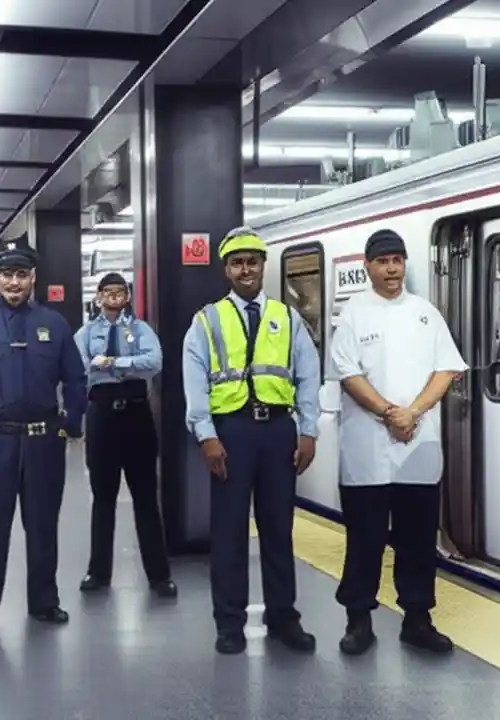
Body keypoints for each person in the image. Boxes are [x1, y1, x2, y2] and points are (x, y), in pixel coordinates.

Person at [181, 226, 321, 655]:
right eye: (238, 262)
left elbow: (307, 373)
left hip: (278, 431)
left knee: (280, 529)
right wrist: (205, 435)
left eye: (253, 261)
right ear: (227, 269)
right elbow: (195, 380)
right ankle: (229, 623)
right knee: (229, 533)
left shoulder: (287, 317)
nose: (246, 269)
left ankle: (283, 618)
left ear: (263, 266)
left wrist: (309, 429)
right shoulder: (207, 321)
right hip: (231, 433)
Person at [328, 229, 465, 656]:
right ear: (367, 266)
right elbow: (349, 376)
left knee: (419, 540)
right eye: (383, 261)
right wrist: (390, 412)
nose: (392, 268)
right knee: (365, 540)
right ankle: (358, 620)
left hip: (418, 450)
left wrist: (413, 412)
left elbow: (446, 370)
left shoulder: (425, 313)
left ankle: (418, 619)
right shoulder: (352, 315)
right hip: (367, 452)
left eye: (398, 260)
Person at [0, 242, 87, 634]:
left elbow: (76, 378)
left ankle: (44, 601)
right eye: (7, 274)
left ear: (33, 278)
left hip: (44, 442)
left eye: (21, 274)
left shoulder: (55, 324)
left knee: (43, 525)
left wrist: (73, 421)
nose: (13, 282)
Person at [74, 273, 177, 597]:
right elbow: (81, 368)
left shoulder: (142, 329)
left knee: (146, 497)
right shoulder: (86, 333)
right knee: (102, 498)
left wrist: (114, 363)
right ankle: (98, 573)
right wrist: (115, 367)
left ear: (128, 295)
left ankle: (159, 576)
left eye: (121, 292)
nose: (115, 297)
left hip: (137, 416)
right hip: (102, 418)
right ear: (99, 296)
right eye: (108, 292)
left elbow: (154, 363)